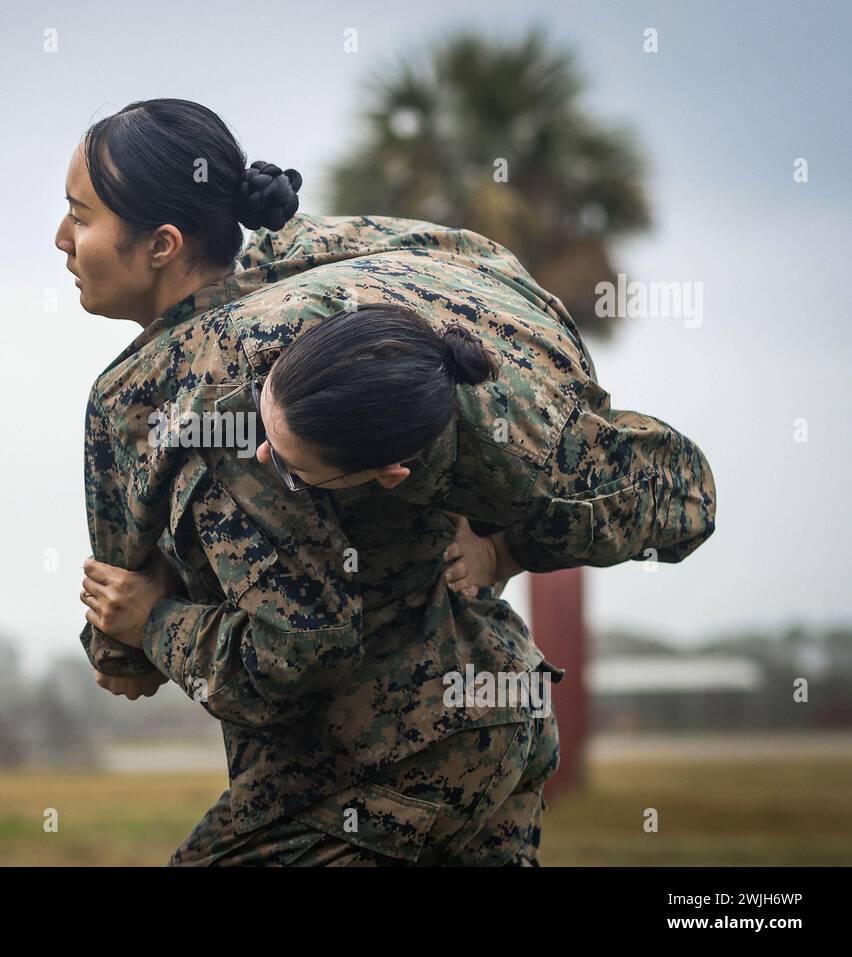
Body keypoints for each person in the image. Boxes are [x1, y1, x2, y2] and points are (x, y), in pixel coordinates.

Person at [57, 98, 717, 865]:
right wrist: (503, 545)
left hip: (381, 761)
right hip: (498, 707)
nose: (62, 239)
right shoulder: (328, 261)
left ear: (162, 244)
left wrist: (150, 627)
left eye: (81, 216)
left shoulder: (192, 406)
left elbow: (293, 649)